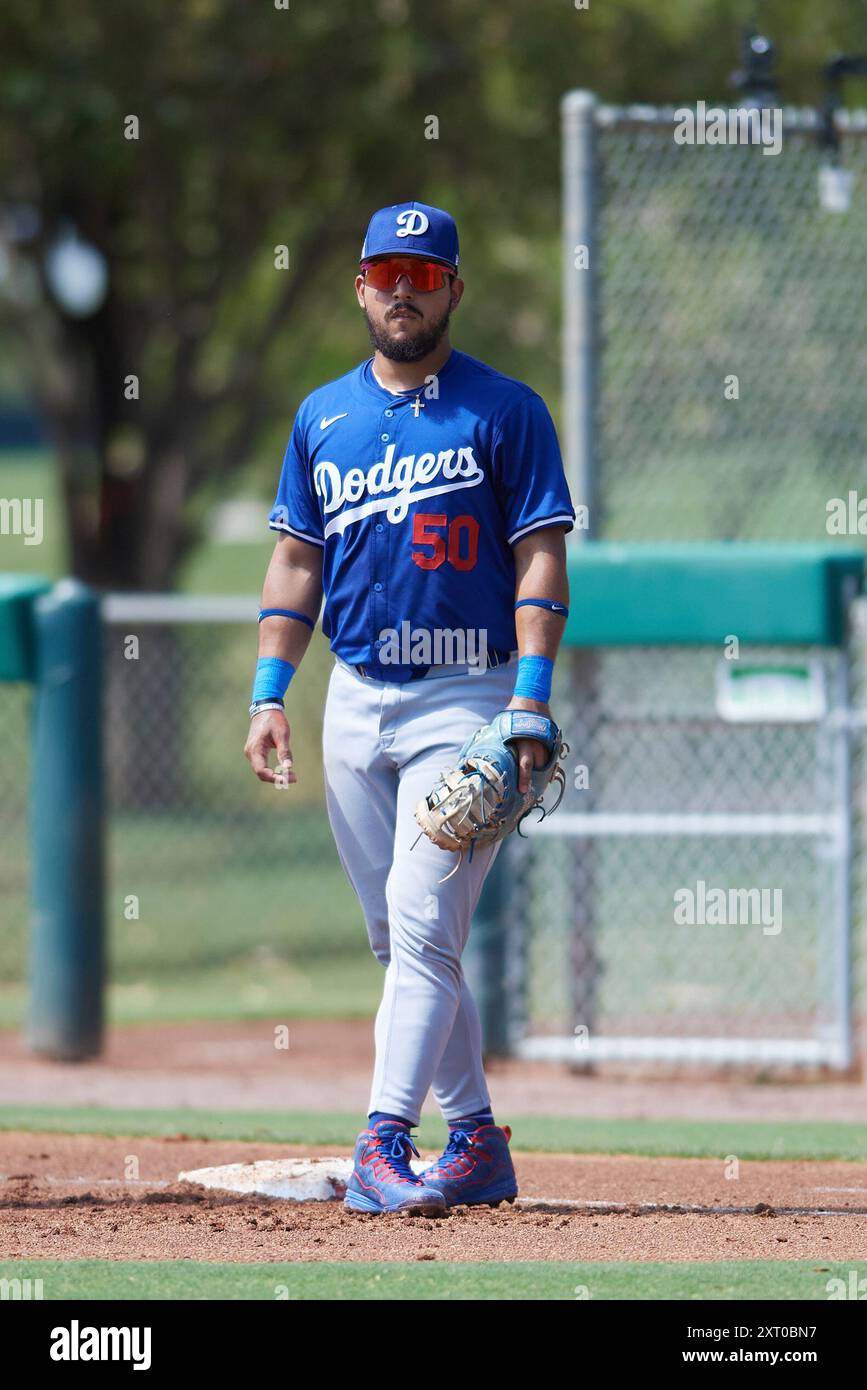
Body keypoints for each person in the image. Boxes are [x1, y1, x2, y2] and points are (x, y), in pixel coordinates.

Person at [245, 200, 574, 1215]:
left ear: (453, 291)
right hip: (356, 694)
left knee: (425, 922)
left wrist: (526, 696)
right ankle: (475, 1141)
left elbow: (541, 551)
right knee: (401, 939)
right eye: (386, 272)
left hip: (464, 691)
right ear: (359, 287)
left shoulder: (504, 411)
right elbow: (299, 558)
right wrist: (269, 690)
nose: (402, 289)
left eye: (423, 275)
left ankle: (383, 1142)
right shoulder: (323, 416)